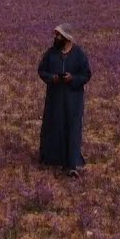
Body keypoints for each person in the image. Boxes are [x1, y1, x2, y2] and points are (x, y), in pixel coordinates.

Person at [37, 23, 91, 176]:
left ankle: (72, 164)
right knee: (53, 126)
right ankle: (51, 159)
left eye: (58, 35)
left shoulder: (79, 55)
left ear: (67, 37)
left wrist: (72, 78)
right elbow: (41, 71)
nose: (55, 38)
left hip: (73, 100)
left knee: (72, 129)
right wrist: (53, 78)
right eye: (55, 35)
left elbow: (86, 75)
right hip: (54, 99)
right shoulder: (50, 53)